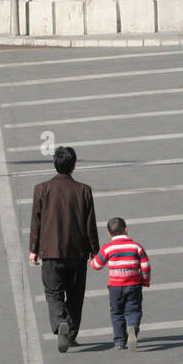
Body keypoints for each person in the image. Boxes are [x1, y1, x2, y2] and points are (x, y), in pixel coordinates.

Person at [29, 146, 99, 353]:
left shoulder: (41, 189)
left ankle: (60, 322)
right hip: (77, 253)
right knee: (76, 295)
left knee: (53, 292)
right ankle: (71, 333)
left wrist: (33, 249)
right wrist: (96, 251)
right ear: (74, 166)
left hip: (50, 252)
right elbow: (90, 224)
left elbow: (36, 221)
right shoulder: (83, 190)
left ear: (54, 165)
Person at [90, 217, 151, 350]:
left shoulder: (108, 248)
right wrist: (145, 280)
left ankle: (120, 341)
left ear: (109, 234)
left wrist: (91, 261)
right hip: (134, 284)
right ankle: (132, 328)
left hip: (115, 287)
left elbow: (97, 265)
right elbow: (145, 265)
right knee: (133, 310)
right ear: (126, 230)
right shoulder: (136, 247)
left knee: (116, 312)